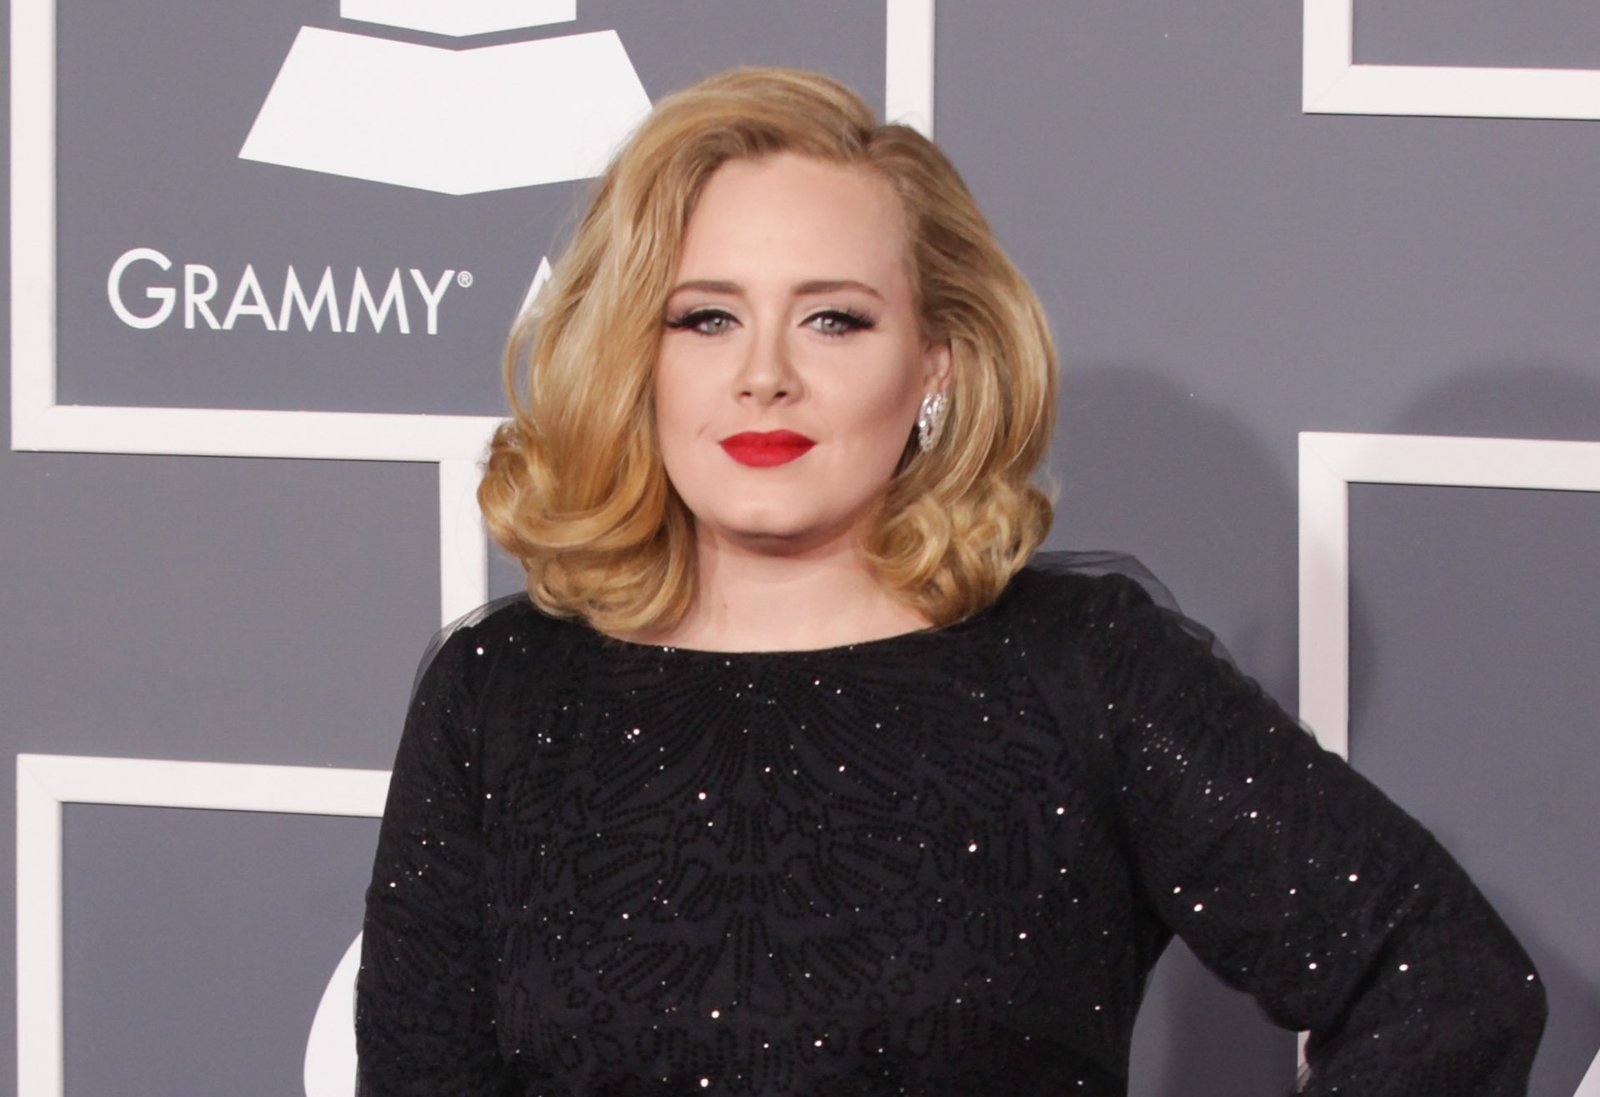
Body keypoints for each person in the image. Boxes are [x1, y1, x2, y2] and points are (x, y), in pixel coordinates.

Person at [355, 67, 1545, 1095]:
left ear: (936, 364)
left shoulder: (1082, 671)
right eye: (705, 317)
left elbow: (1445, 983)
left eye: (833, 319)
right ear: (634, 354)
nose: (763, 375)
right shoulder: (500, 694)